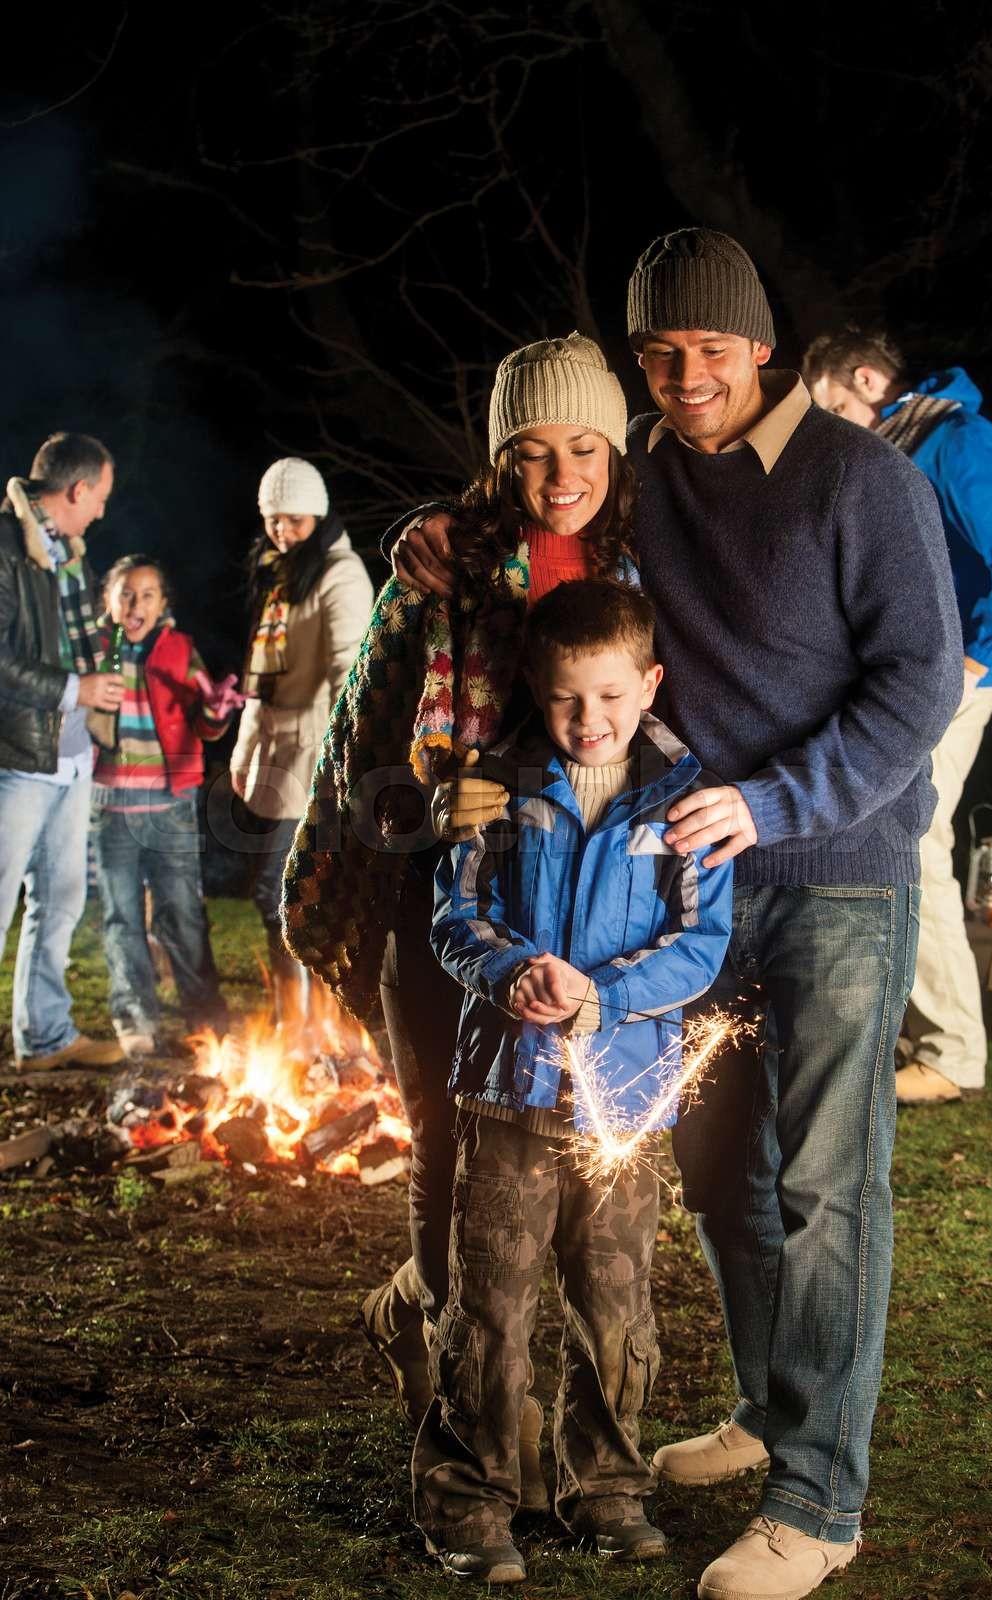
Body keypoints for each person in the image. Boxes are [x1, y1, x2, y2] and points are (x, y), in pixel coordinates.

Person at [390, 231, 963, 1600]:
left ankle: (817, 1500)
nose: (685, 373)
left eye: (709, 348)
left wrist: (776, 803)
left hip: (827, 868)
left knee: (827, 1182)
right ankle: (765, 1408)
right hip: (680, 884)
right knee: (714, 1174)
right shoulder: (638, 475)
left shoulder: (857, 477)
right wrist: (435, 529)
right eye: (660, 352)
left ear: (759, 344)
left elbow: (919, 683)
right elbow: (537, 504)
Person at [281, 336, 634, 1505]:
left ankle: (436, 1330)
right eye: (529, 452)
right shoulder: (433, 569)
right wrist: (429, 805)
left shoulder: (640, 566)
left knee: (567, 1168)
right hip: (431, 907)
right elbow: (351, 780)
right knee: (445, 1151)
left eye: (582, 447)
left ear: (616, 450)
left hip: (579, 915)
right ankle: (483, 1411)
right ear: (496, 459)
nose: (558, 474)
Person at [413, 578, 732, 1583]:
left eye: (606, 695)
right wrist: (514, 972)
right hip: (505, 1091)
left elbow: (700, 943)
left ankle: (607, 1487)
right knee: (490, 1305)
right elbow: (451, 919)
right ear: (535, 691)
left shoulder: (685, 802)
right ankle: (473, 1496)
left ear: (648, 685)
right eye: (562, 699)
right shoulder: (495, 788)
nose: (585, 720)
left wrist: (594, 995)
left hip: (623, 1103)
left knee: (615, 1301)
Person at [802, 330, 992, 1104]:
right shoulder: (902, 448)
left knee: (916, 841)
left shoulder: (958, 439)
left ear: (870, 377)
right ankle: (914, 1036)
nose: (837, 424)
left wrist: (969, 663)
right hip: (905, 674)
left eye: (837, 406)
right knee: (893, 837)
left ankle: (951, 1053)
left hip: (949, 679)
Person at [230, 457, 372, 1037]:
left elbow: (349, 669)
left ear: (316, 514)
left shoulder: (341, 574)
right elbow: (260, 686)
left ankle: (315, 1027)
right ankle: (300, 1022)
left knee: (285, 895)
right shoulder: (286, 579)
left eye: (291, 519)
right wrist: (243, 753)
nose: (281, 531)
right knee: (283, 895)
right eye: (272, 520)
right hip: (275, 758)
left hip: (314, 758)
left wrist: (344, 757)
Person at [0, 434, 126, 1069]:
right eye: (100, 497)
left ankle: (44, 1037)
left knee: (60, 901)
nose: (101, 511)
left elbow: (72, 642)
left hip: (71, 759)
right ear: (77, 490)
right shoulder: (5, 549)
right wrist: (77, 688)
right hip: (15, 760)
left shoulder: (68, 553)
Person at [90, 555, 243, 1055]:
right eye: (126, 594)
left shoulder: (179, 650)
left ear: (162, 604)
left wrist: (217, 711)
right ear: (109, 601)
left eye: (148, 594)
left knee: (182, 914)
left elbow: (206, 721)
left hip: (169, 804)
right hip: (110, 808)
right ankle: (137, 1025)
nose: (136, 604)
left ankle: (205, 1023)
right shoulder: (96, 650)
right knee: (121, 918)